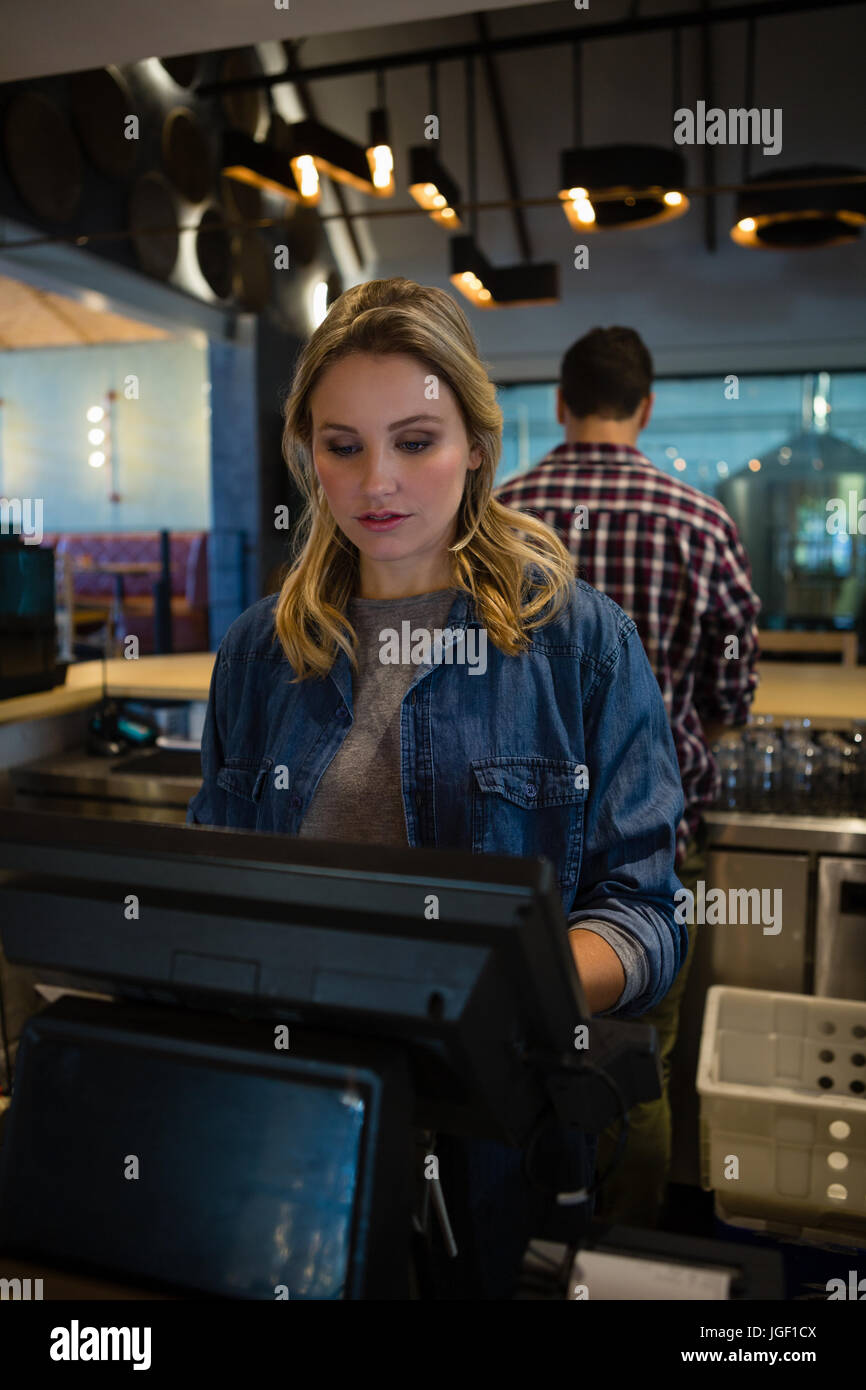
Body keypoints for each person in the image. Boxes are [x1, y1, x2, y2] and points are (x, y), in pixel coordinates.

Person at [187, 282, 688, 1298]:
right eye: (342, 445)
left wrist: (499, 986)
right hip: (292, 1133)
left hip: (501, 1145)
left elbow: (643, 916)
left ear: (474, 442)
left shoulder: (580, 644)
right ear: (307, 453)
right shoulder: (256, 653)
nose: (377, 481)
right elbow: (212, 891)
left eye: (414, 440)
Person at [495, 325, 760, 1228]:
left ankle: (522, 1249)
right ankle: (626, 1264)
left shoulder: (496, 515)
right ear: (644, 408)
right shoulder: (700, 520)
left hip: (508, 849)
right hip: (649, 849)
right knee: (636, 1069)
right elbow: (731, 689)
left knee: (512, 1059)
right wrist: (674, 737)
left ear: (562, 405)